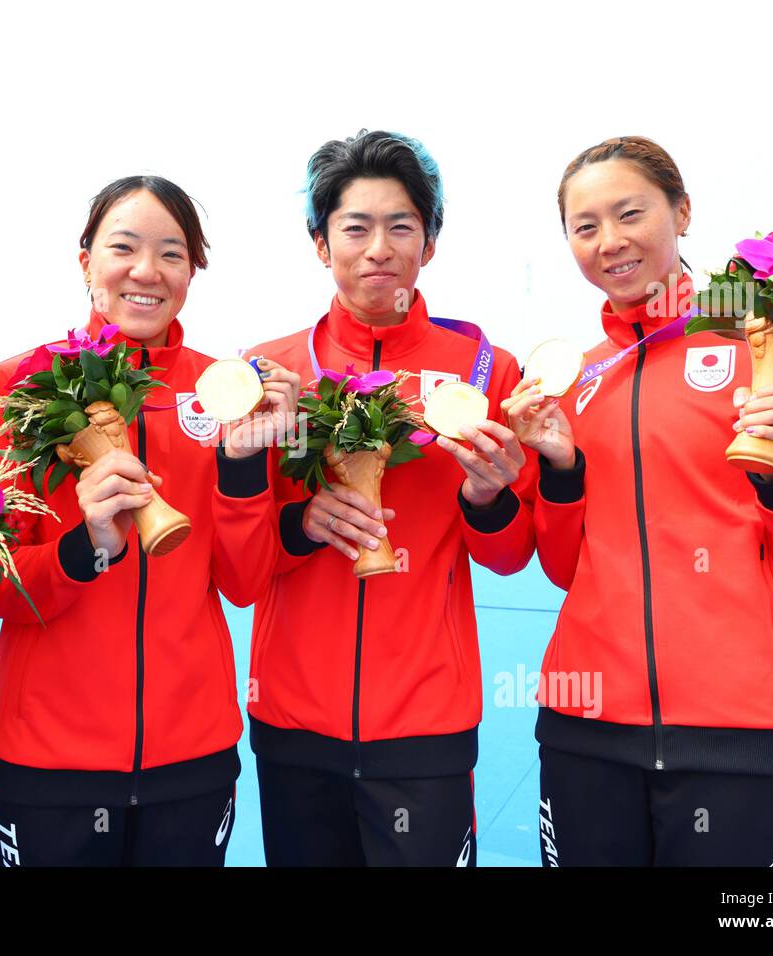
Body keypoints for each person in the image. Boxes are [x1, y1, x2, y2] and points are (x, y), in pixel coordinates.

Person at [507, 135, 773, 866]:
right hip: (585, 729)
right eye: (585, 226)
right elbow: (564, 566)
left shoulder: (772, 345)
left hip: (740, 733)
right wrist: (562, 470)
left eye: (629, 213)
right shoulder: (577, 381)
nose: (610, 242)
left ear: (683, 212)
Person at [0, 175, 295, 866]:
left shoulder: (224, 391)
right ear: (85, 259)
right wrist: (85, 546)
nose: (146, 271)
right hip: (48, 759)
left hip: (192, 755)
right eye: (124, 247)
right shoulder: (18, 385)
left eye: (172, 253)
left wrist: (242, 466)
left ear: (192, 271)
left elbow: (243, 583)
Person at [242, 130, 536, 866]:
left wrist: (488, 495)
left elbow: (509, 555)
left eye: (401, 225)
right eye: (355, 227)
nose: (378, 248)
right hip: (294, 719)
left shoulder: (484, 371)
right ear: (320, 243)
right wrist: (301, 523)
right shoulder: (269, 372)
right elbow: (239, 561)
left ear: (430, 243)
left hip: (425, 722)